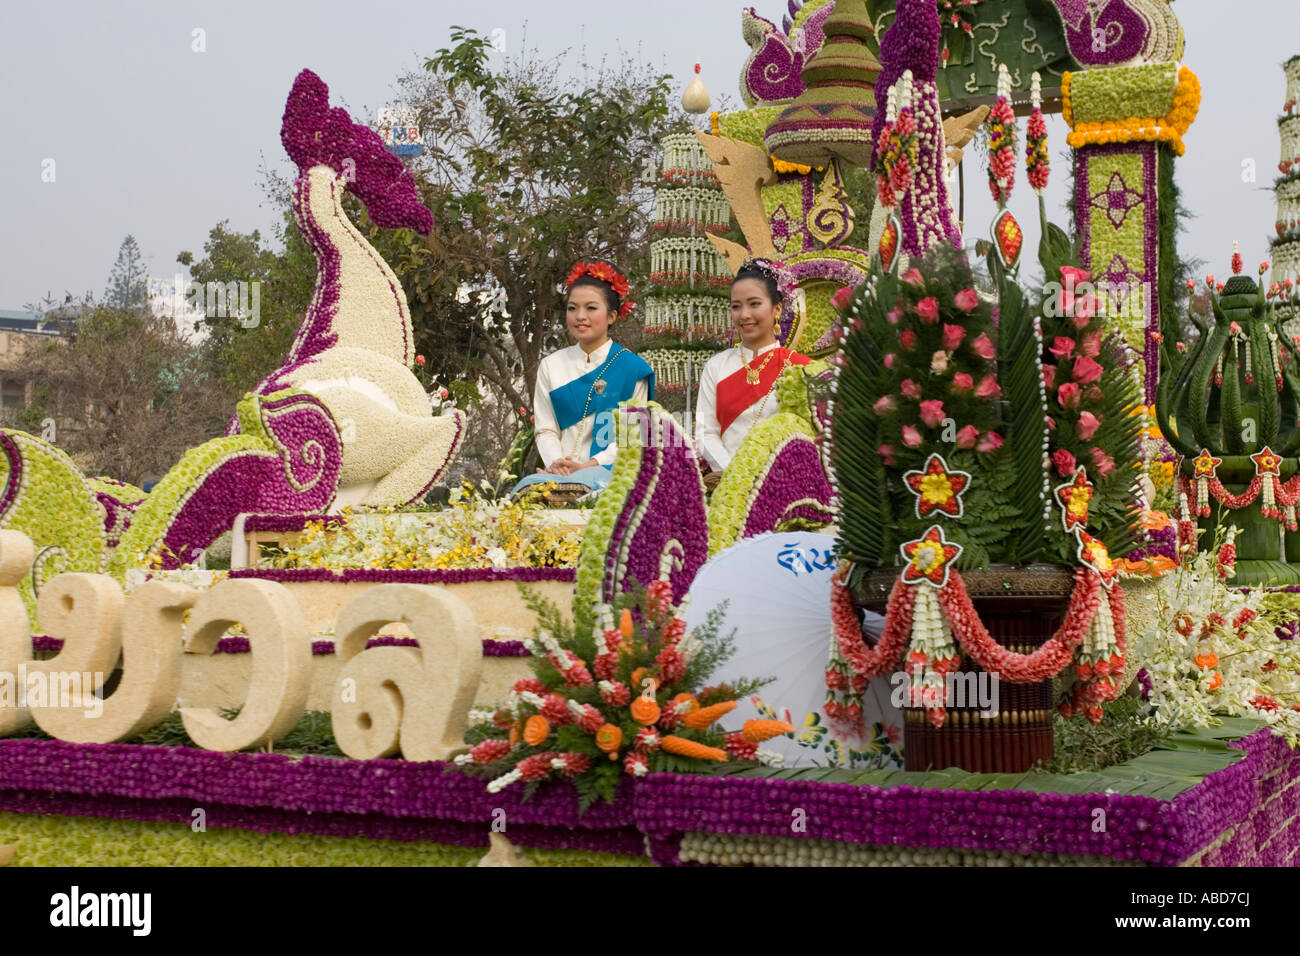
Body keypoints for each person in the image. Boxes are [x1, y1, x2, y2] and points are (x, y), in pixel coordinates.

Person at [511, 260, 655, 497]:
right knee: (525, 493)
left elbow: (631, 440)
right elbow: (546, 428)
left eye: (591, 308)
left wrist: (587, 466)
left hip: (611, 473)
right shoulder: (551, 366)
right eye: (572, 308)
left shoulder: (632, 369)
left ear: (611, 316)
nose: (580, 316)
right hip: (558, 474)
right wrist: (558, 464)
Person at [694, 259, 810, 481]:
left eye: (754, 304)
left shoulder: (800, 368)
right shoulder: (717, 366)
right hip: (727, 485)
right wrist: (736, 477)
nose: (744, 315)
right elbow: (706, 432)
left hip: (786, 485)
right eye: (736, 306)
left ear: (777, 309)